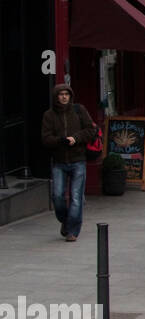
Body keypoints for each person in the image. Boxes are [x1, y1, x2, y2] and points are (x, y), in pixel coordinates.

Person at [40, 84, 97, 243]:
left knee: (76, 197)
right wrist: (61, 141)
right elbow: (45, 138)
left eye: (66, 94)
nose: (64, 97)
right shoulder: (49, 115)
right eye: (61, 94)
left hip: (78, 159)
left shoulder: (79, 110)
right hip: (59, 161)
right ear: (56, 97)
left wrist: (75, 138)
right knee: (57, 196)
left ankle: (72, 230)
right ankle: (65, 220)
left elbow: (91, 130)